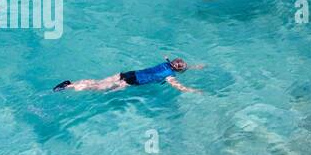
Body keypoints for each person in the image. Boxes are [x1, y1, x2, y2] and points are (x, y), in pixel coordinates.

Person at [53, 57, 202, 93]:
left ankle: (71, 83)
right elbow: (179, 87)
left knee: (99, 82)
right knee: (99, 88)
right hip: (131, 81)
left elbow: (180, 66)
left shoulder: (166, 63)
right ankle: (70, 86)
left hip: (128, 74)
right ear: (178, 70)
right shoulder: (170, 75)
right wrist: (193, 90)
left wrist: (195, 67)